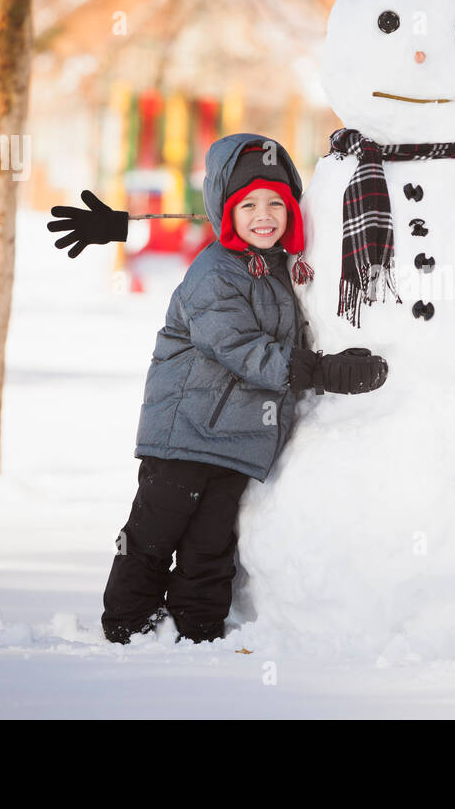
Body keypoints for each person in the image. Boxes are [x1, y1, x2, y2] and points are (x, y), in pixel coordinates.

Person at [61, 134, 389, 644]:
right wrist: (323, 372)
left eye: (277, 203)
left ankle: (198, 629)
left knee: (211, 544)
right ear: (227, 211)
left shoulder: (280, 271)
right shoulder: (213, 273)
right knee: (154, 533)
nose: (265, 215)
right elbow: (238, 348)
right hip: (184, 435)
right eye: (248, 204)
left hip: (237, 443)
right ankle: (127, 624)